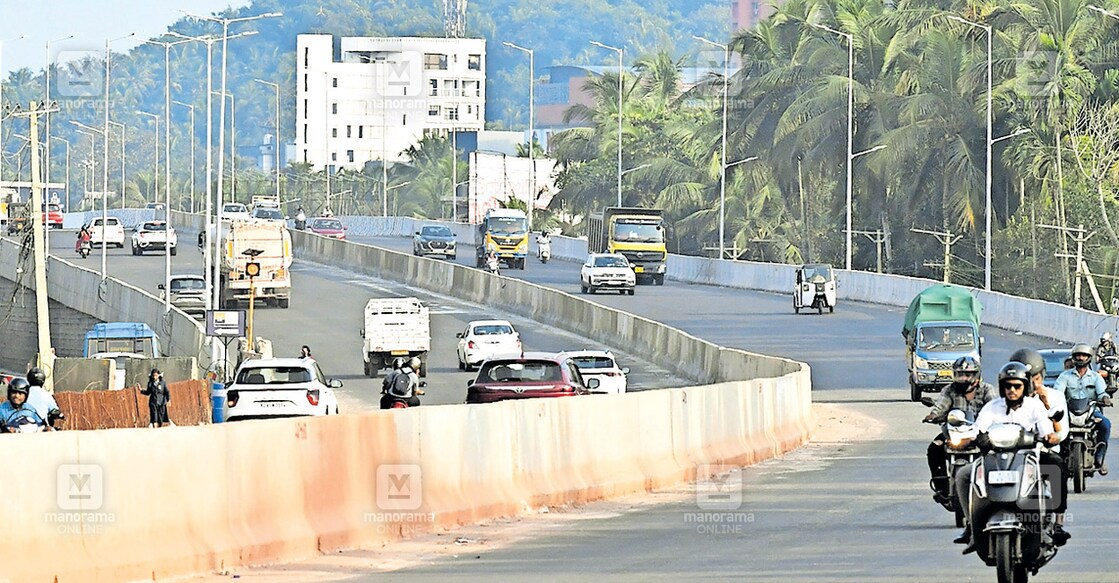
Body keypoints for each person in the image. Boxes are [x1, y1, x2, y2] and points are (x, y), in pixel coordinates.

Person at [955, 361, 1060, 552]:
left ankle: (1048, 525)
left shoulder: (1035, 406)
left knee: (1053, 470)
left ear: (1025, 386)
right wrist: (966, 440)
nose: (1012, 390)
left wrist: (1049, 437)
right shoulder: (991, 407)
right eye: (1008, 386)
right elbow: (977, 430)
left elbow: (1046, 430)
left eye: (1017, 386)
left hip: (1027, 459)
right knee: (963, 474)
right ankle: (972, 526)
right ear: (1002, 387)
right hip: (994, 460)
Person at [1009, 348, 1070, 545]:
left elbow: (1061, 433)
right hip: (1011, 455)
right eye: (1027, 379)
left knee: (1057, 467)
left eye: (1036, 378)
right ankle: (976, 524)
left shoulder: (1055, 396)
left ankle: (1059, 522)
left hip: (1040, 453)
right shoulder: (1006, 398)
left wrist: (1046, 402)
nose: (1033, 384)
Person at [923, 356, 996, 503]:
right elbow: (941, 406)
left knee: (996, 450)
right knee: (934, 449)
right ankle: (942, 488)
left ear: (976, 375)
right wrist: (933, 415)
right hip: (953, 433)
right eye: (960, 374)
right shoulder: (949, 390)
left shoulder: (986, 389)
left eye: (968, 375)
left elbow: (994, 408)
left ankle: (994, 486)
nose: (963, 378)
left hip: (979, 433)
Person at [1055, 342, 1112, 475]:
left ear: (1089, 358)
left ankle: (1099, 457)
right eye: (1078, 355)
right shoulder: (1064, 376)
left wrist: (1105, 398)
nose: (1080, 358)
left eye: (1083, 355)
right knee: (1054, 426)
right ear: (1073, 357)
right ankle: (1059, 457)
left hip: (1091, 413)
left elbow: (1102, 392)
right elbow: (1058, 393)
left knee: (1106, 425)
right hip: (1069, 413)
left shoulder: (1096, 377)